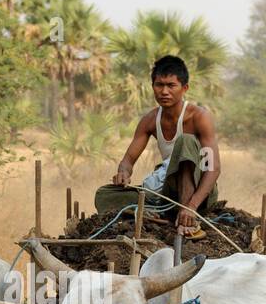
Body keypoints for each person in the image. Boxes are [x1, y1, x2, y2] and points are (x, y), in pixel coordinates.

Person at [93, 55, 220, 235]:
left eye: (171, 85)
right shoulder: (150, 120)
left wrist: (191, 206)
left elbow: (212, 169)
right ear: (153, 87)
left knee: (185, 141)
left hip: (200, 195)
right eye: (159, 85)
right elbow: (128, 160)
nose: (164, 91)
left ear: (184, 88)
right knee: (105, 195)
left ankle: (185, 217)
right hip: (169, 191)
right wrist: (123, 172)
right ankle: (162, 213)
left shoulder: (199, 117)